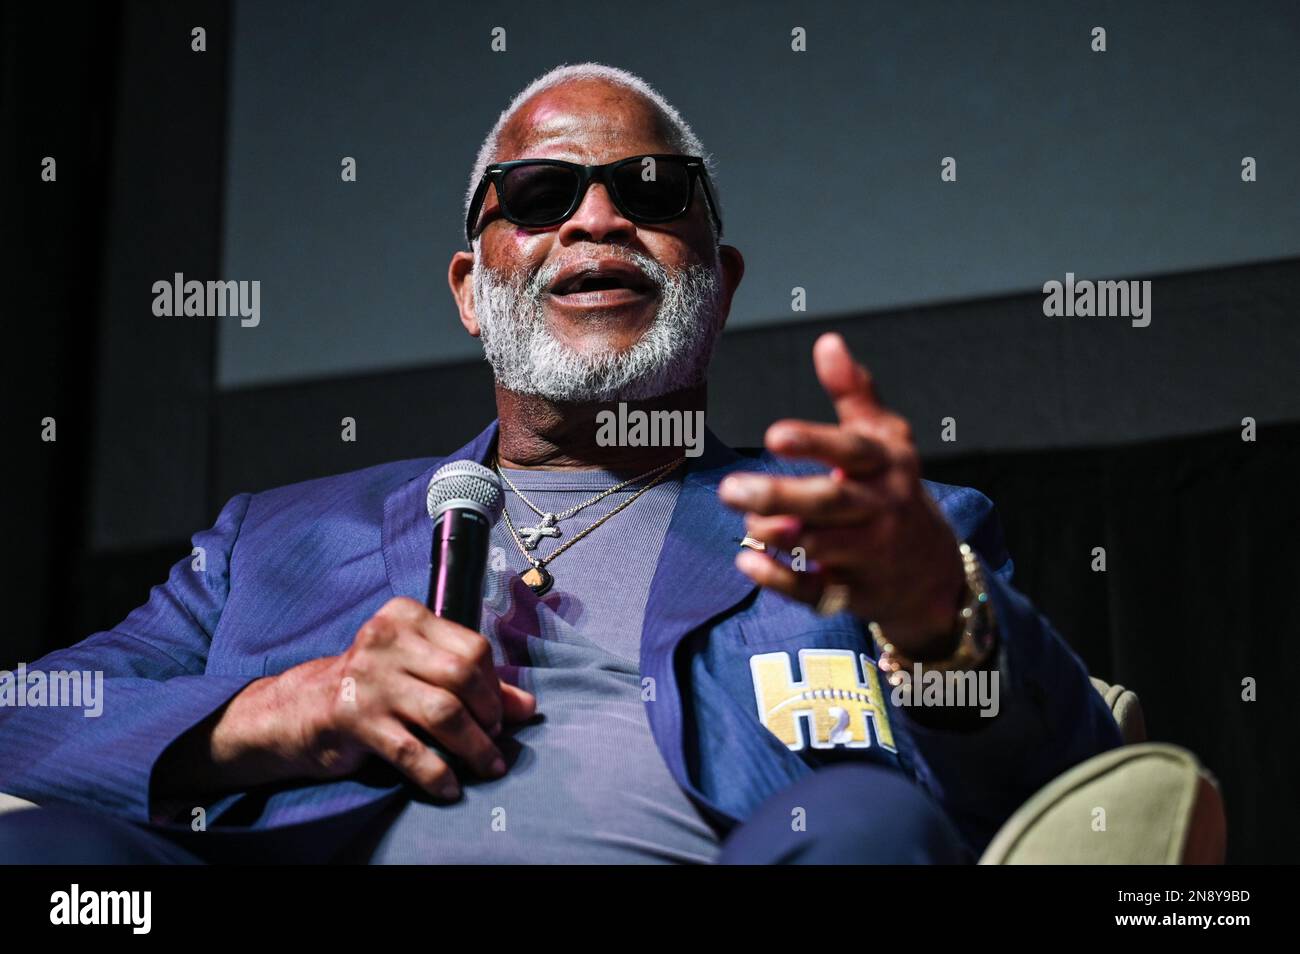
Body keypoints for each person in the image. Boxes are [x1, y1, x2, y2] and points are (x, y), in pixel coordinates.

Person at [0, 63, 1121, 865]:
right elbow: (29, 714)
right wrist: (291, 709)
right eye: (537, 197)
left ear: (719, 282)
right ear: (470, 290)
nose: (595, 218)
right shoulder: (275, 540)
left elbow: (1075, 792)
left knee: (869, 822)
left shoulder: (879, 535)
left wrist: (938, 624)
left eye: (651, 193)